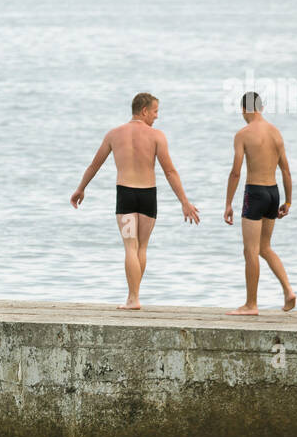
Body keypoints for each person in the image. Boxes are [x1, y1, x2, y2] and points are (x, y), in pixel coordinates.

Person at [70, 92, 201, 309]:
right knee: (142, 248)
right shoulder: (157, 136)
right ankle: (135, 297)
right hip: (148, 196)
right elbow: (170, 171)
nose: (157, 116)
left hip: (126, 195)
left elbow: (95, 165)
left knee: (130, 247)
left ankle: (133, 298)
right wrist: (184, 201)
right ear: (144, 110)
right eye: (155, 111)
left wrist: (81, 188)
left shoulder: (114, 134)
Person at [224, 92, 297, 315]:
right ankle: (288, 290)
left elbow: (236, 172)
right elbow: (286, 170)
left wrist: (228, 204)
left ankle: (251, 304)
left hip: (254, 193)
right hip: (273, 192)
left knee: (250, 251)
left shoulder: (243, 134)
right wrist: (288, 201)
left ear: (245, 109)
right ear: (261, 108)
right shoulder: (276, 133)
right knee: (264, 247)